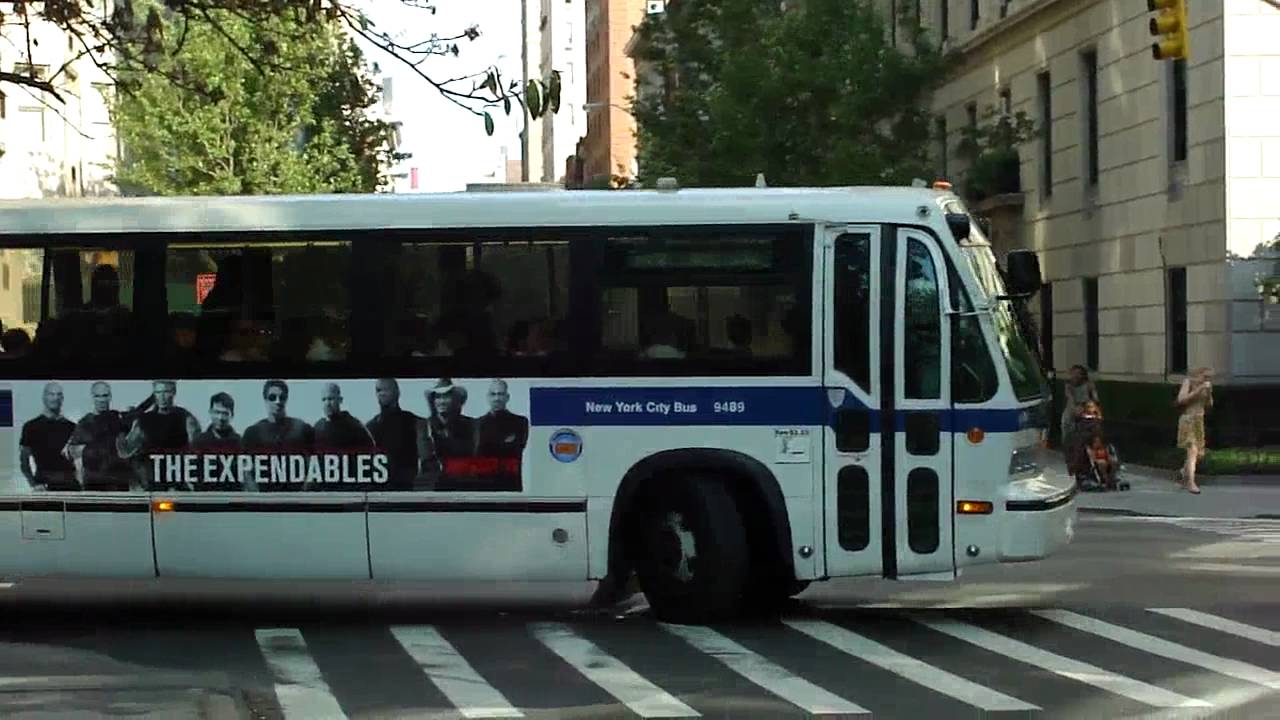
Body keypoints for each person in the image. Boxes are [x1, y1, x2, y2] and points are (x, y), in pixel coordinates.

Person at [1175, 367, 1214, 494]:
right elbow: (1181, 400)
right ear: (1198, 375)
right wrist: (1199, 389)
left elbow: (1209, 405)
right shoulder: (1189, 382)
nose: (1207, 379)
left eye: (1209, 377)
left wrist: (1209, 393)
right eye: (1205, 376)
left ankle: (1184, 472)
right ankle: (1191, 483)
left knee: (1199, 453)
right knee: (1192, 450)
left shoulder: (1207, 386)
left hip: (1199, 420)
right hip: (1188, 419)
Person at [1060, 365, 1098, 448]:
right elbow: (1070, 397)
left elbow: (1095, 397)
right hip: (1072, 406)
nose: (1076, 376)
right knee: (1065, 421)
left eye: (1078, 373)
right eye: (1074, 373)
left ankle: (1092, 443)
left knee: (1093, 423)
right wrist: (1075, 408)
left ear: (1083, 375)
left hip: (1086, 406)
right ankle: (1067, 443)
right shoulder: (1068, 384)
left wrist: (1089, 405)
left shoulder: (1089, 384)